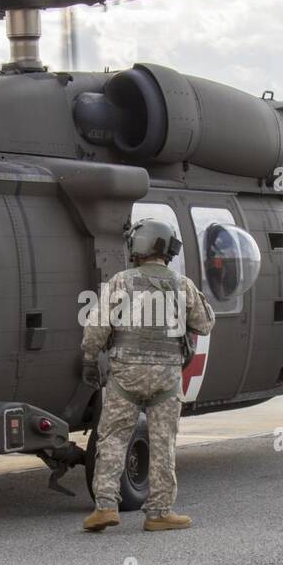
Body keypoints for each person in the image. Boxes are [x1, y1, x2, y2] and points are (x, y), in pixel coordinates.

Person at [80, 218, 215, 532]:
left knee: (112, 438)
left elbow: (97, 328)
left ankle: (105, 507)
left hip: (125, 374)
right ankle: (159, 513)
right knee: (163, 442)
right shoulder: (182, 284)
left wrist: (89, 359)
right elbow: (205, 324)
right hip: (166, 377)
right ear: (166, 248)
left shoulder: (120, 282)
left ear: (136, 247)